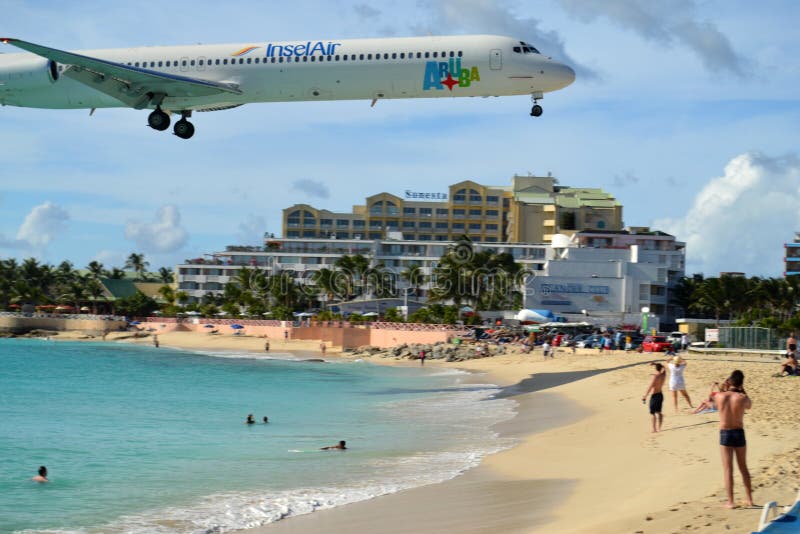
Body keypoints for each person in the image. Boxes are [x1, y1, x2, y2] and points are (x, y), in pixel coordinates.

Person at [713, 370, 753, 508]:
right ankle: (749, 499)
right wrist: (742, 389)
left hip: (725, 432)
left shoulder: (719, 396)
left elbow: (713, 404)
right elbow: (749, 405)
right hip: (738, 432)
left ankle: (730, 501)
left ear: (729, 381)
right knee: (743, 467)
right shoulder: (742, 397)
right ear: (741, 383)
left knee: (728, 469)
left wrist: (724, 386)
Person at [642, 363, 666, 432]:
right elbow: (664, 368)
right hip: (660, 395)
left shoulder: (655, 377)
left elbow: (650, 387)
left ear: (655, 369)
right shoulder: (663, 375)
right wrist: (656, 364)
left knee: (652, 413)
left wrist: (645, 396)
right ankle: (660, 428)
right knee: (659, 412)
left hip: (654, 396)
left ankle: (654, 429)